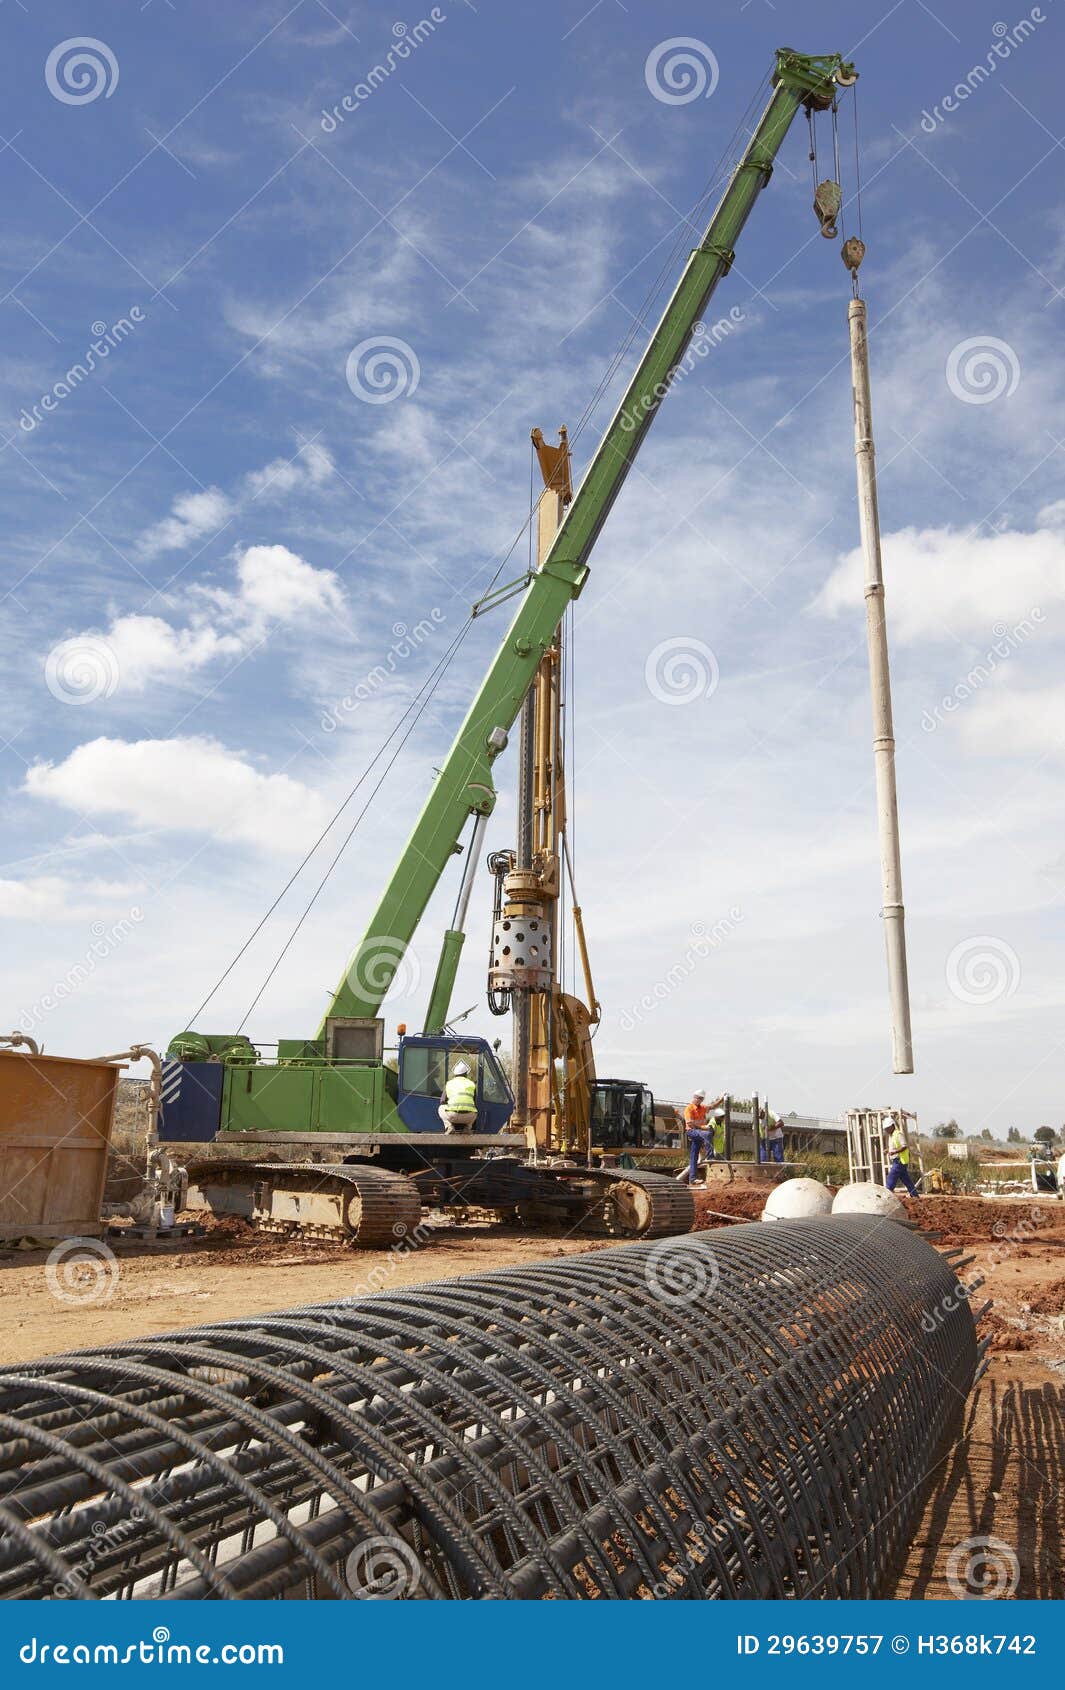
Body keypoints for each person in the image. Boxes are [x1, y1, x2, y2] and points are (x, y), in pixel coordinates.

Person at [884, 1114, 919, 1198]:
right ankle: (915, 1196)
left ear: (892, 1126)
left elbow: (904, 1146)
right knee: (906, 1180)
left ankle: (887, 1195)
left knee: (891, 1177)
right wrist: (888, 1150)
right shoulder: (891, 1136)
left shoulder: (898, 1134)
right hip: (897, 1160)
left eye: (887, 1128)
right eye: (885, 1129)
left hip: (899, 1160)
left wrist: (895, 1152)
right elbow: (894, 1146)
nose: (886, 1130)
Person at [439, 1060, 478, 1134]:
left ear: (455, 1074)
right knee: (475, 1110)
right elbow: (475, 1101)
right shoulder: (471, 1084)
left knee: (441, 1108)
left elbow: (442, 1101)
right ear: (466, 1074)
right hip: (469, 1117)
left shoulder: (449, 1083)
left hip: (453, 1116)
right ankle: (468, 1128)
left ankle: (449, 1126)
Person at [684, 1089, 713, 1184]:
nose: (699, 1100)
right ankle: (710, 1157)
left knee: (694, 1156)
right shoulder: (689, 1108)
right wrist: (701, 1126)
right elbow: (689, 1123)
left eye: (701, 1099)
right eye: (698, 1098)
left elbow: (713, 1106)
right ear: (694, 1097)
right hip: (691, 1131)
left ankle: (692, 1179)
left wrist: (721, 1099)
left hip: (698, 1133)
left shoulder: (702, 1108)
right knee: (707, 1134)